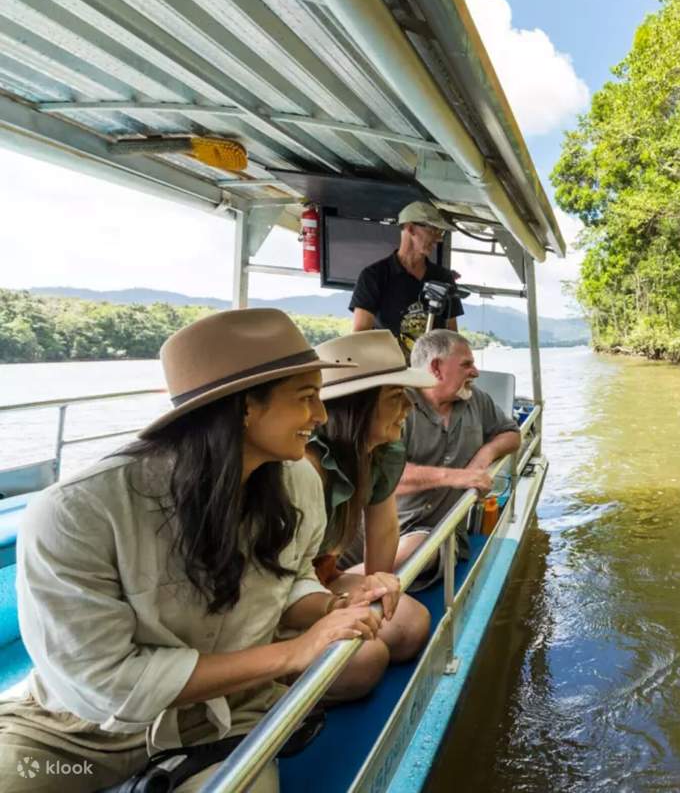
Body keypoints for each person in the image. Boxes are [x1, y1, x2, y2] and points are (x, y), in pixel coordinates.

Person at [0, 309, 389, 793]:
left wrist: (333, 608)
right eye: (306, 397)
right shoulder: (78, 512)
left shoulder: (298, 483)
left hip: (222, 721)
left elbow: (289, 582)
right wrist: (294, 653)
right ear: (245, 407)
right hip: (76, 739)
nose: (321, 415)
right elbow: (106, 683)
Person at [301, 331, 435, 695]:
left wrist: (377, 586)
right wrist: (338, 607)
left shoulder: (378, 452)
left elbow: (384, 529)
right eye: (396, 397)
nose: (409, 408)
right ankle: (269, 684)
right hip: (285, 600)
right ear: (357, 406)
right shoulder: (306, 466)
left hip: (324, 578)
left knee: (410, 626)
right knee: (365, 660)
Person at [391, 330, 521, 574]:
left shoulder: (476, 400)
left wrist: (484, 455)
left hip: (443, 535)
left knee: (422, 547)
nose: (476, 372)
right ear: (437, 368)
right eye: (466, 365)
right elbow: (384, 477)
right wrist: (458, 477)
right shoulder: (396, 406)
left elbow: (512, 434)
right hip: (390, 529)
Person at [349, 201, 464, 356]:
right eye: (434, 230)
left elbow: (452, 334)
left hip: (431, 374)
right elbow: (360, 336)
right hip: (390, 371)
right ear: (410, 228)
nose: (438, 238)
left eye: (441, 233)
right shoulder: (373, 276)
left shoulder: (444, 278)